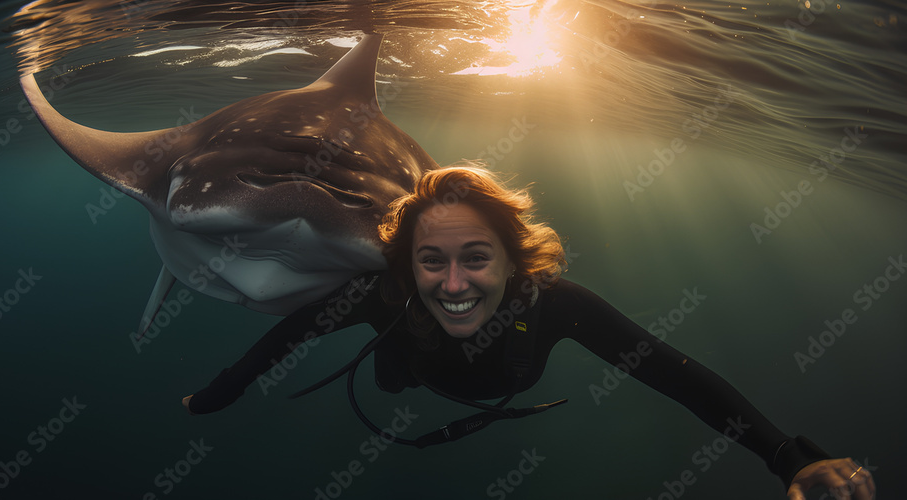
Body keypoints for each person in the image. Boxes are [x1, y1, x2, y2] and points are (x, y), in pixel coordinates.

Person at [182, 165, 875, 499]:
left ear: (515, 260)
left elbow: (670, 371)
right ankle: (396, 358)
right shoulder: (382, 292)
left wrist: (789, 457)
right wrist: (217, 393)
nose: (453, 284)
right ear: (407, 262)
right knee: (394, 359)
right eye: (431, 260)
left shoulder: (557, 304)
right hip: (412, 363)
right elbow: (289, 335)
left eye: (476, 258)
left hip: (505, 374)